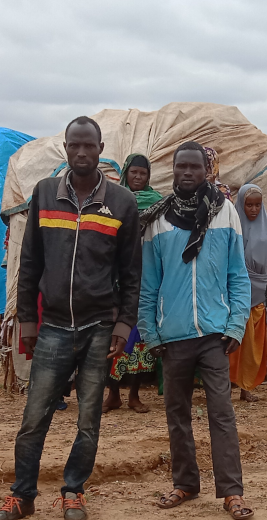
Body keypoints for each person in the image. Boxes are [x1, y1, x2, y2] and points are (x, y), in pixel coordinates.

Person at [0, 116, 141, 520]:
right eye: (73, 145)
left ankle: (73, 489)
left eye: (88, 146)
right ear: (65, 148)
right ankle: (23, 495)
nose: (80, 153)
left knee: (88, 418)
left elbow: (131, 273)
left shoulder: (122, 202)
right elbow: (29, 263)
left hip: (98, 326)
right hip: (53, 325)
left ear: (100, 147)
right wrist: (26, 322)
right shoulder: (43, 194)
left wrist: (124, 326)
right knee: (35, 415)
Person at [140, 141, 253, 520]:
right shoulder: (157, 220)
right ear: (173, 170)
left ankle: (232, 491)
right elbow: (148, 283)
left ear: (207, 171)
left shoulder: (226, 215)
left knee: (222, 412)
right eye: (181, 167)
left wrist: (236, 324)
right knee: (177, 413)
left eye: (195, 167)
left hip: (214, 334)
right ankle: (185, 483)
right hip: (172, 336)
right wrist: (150, 332)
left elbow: (239, 276)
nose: (188, 173)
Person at [104, 154, 162, 414]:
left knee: (139, 337)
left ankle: (135, 395)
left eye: (143, 173)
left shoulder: (158, 202)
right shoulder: (114, 199)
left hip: (146, 274)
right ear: (126, 173)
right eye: (134, 173)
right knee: (113, 333)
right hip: (116, 276)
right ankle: (113, 394)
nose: (138, 178)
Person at [228, 184, 267, 402]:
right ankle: (227, 386)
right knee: (233, 343)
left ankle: (247, 387)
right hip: (236, 295)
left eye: (257, 205)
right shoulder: (234, 227)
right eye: (249, 205)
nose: (254, 209)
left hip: (260, 296)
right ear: (241, 204)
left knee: (253, 345)